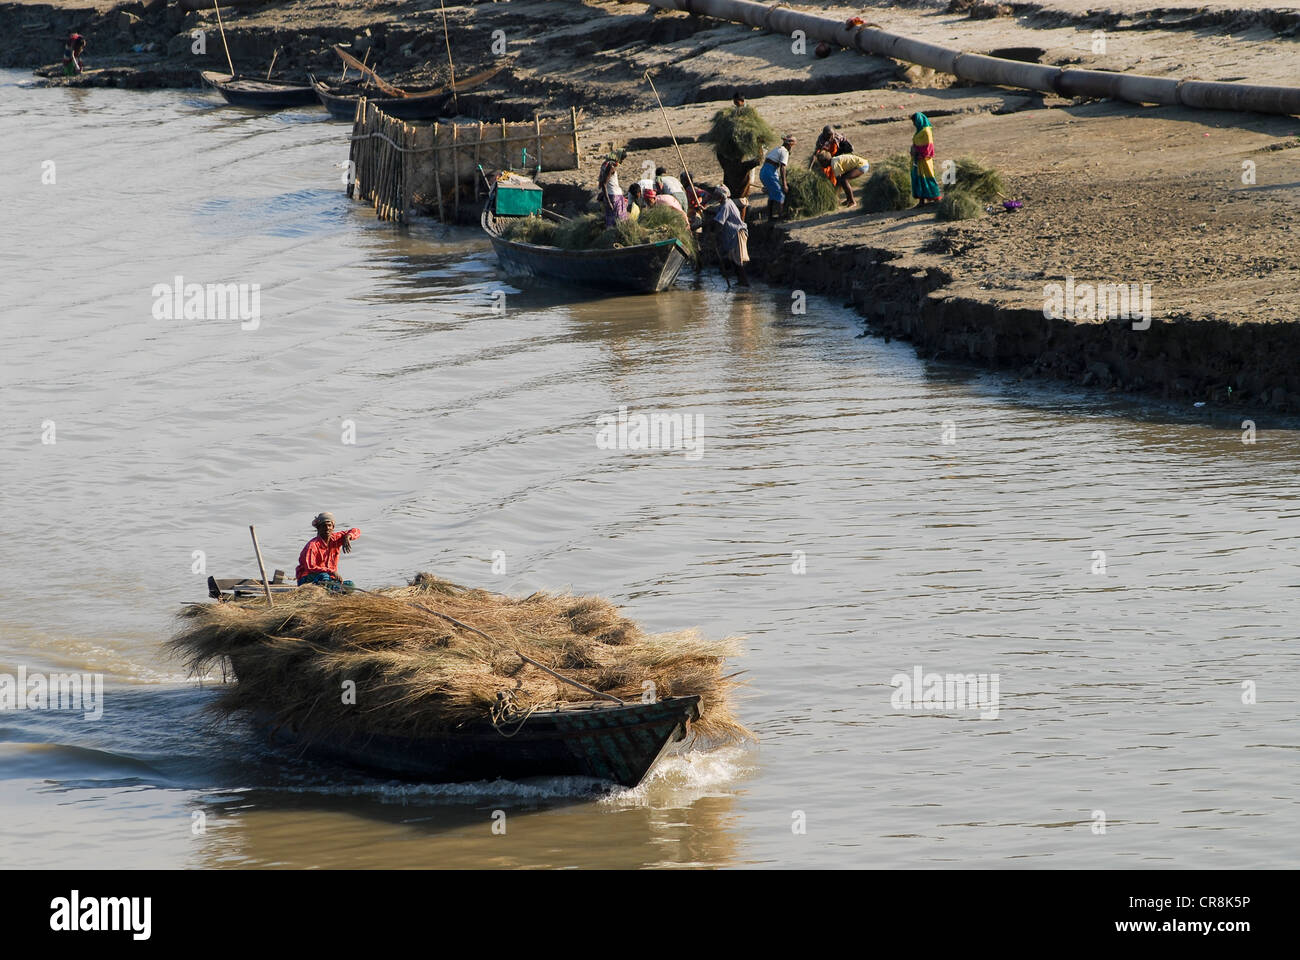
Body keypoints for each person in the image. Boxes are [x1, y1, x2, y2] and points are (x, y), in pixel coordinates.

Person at [296, 512, 360, 589]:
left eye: (329, 525)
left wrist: (348, 537)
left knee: (350, 585)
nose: (327, 528)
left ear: (333, 527)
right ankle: (328, 589)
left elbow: (356, 531)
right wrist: (331, 571)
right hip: (306, 579)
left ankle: (331, 589)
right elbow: (310, 567)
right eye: (324, 526)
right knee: (324, 576)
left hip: (329, 578)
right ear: (318, 528)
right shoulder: (312, 545)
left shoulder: (336, 539)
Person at [712, 184, 750, 287]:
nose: (715, 197)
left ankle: (744, 282)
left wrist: (714, 236)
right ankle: (740, 282)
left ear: (721, 196)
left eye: (717, 195)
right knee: (734, 260)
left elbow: (720, 223)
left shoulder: (726, 205)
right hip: (731, 235)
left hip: (737, 234)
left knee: (738, 261)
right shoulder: (724, 204)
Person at [759, 134, 795, 220]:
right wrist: (785, 184)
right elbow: (783, 168)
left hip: (764, 171)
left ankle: (770, 217)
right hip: (769, 173)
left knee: (772, 194)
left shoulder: (778, 149)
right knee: (780, 195)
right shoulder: (784, 152)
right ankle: (780, 216)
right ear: (789, 145)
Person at [910, 112, 943, 206]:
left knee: (928, 178)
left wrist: (918, 152)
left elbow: (929, 147)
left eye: (914, 122)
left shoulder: (926, 132)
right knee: (918, 179)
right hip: (917, 160)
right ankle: (921, 200)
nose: (914, 124)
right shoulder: (919, 131)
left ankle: (935, 198)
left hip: (925, 160)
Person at [597, 149, 629, 226]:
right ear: (617, 156)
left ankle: (610, 235)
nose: (621, 161)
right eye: (621, 159)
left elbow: (602, 182)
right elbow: (604, 183)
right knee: (619, 221)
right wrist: (608, 202)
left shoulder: (605, 164)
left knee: (611, 220)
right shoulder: (611, 166)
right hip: (615, 196)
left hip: (611, 195)